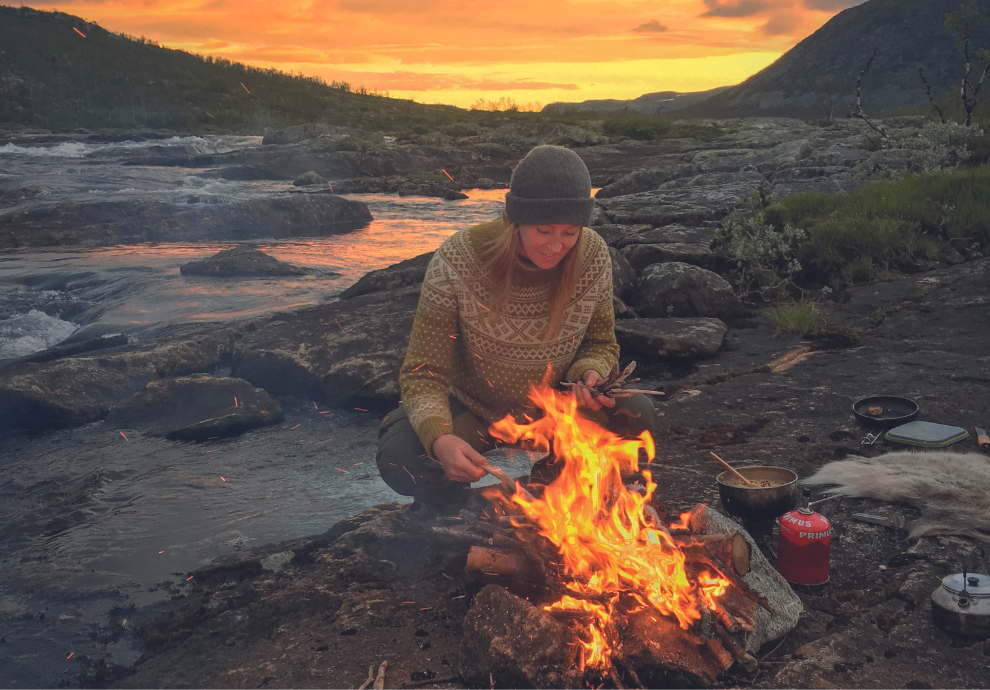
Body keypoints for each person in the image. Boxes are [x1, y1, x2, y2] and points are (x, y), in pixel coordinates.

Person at [376, 145, 658, 507]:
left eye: (570, 232)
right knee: (401, 456)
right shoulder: (458, 259)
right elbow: (422, 372)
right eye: (543, 230)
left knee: (638, 414)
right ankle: (453, 505)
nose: (556, 246)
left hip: (555, 409)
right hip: (472, 411)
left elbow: (600, 344)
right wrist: (440, 441)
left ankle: (558, 482)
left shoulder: (592, 255)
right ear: (517, 219)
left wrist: (588, 375)